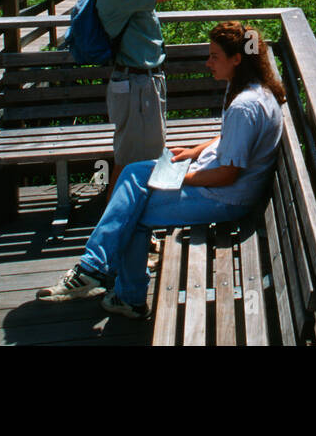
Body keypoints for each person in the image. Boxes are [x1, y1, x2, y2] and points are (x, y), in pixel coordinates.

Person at [37, 21, 286, 319]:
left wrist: (182, 177)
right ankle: (98, 272)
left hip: (225, 197)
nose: (208, 63)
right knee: (134, 171)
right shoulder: (252, 88)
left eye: (214, 56)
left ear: (237, 59)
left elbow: (227, 175)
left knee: (135, 212)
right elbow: (230, 137)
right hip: (217, 181)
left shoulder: (244, 105)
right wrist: (196, 150)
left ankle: (115, 287)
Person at [94, 0, 193, 200]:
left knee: (137, 158)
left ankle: (128, 225)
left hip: (142, 83)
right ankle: (118, 231)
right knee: (132, 164)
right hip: (137, 86)